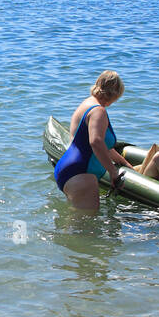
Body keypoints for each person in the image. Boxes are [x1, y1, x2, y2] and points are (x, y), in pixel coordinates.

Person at [53, 70, 135, 213]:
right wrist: (113, 173)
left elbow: (102, 146)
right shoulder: (99, 111)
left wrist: (124, 162)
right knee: (84, 228)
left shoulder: (87, 103)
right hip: (81, 172)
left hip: (69, 168)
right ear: (115, 94)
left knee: (76, 223)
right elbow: (96, 142)